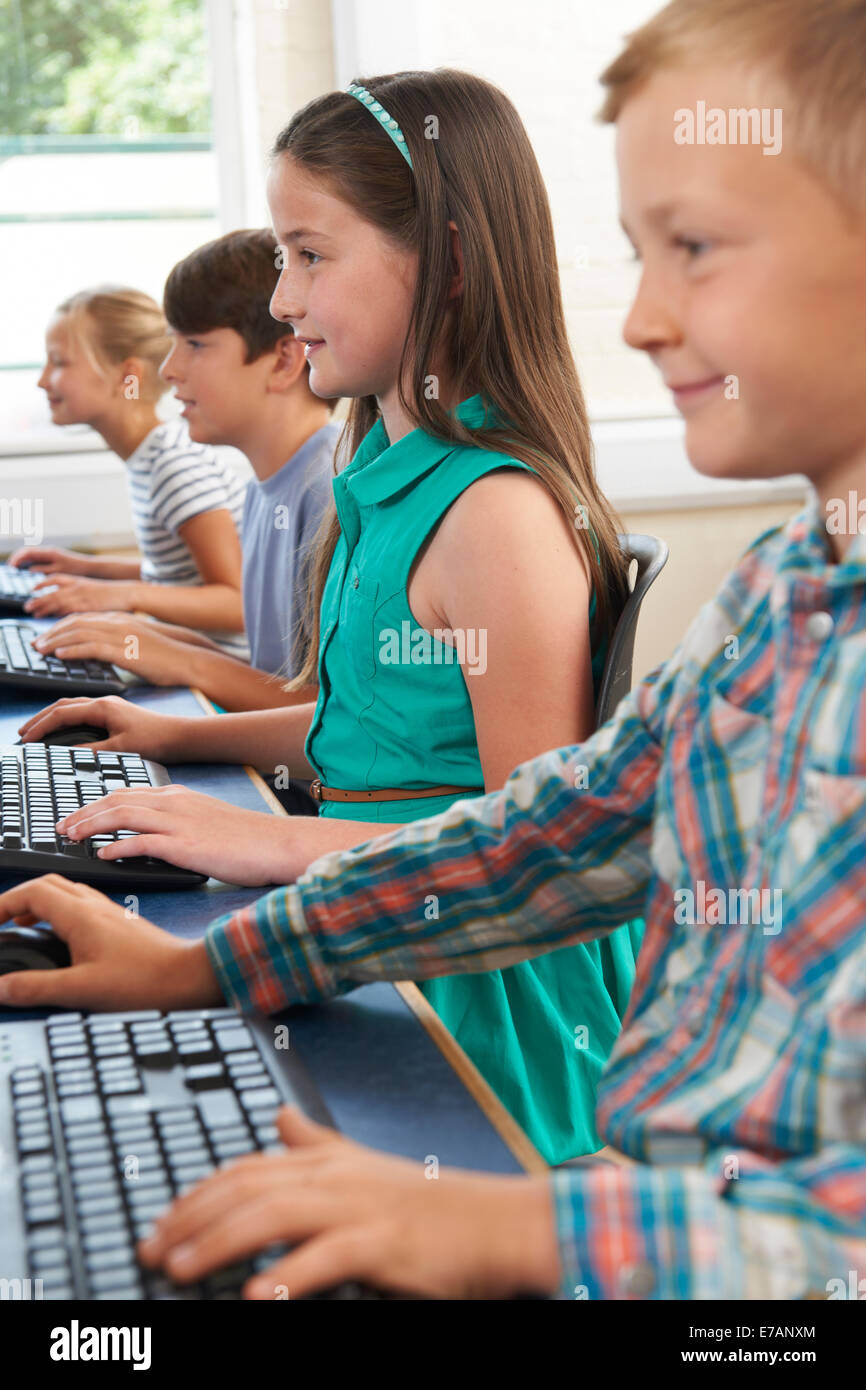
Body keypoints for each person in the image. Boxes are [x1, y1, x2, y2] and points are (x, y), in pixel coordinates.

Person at [2, 0, 864, 1298]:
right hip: (629, 1203)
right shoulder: (784, 591)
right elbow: (542, 835)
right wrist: (199, 964)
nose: (636, 320)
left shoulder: (501, 513)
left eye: (692, 247)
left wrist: (510, 1227)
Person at [15, 68, 643, 1164]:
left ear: (444, 257)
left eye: (309, 255)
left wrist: (266, 839)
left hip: (476, 999)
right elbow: (356, 725)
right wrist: (179, 736)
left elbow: (532, 854)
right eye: (279, 257)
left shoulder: (492, 512)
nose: (282, 300)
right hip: (374, 914)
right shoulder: (384, 464)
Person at [27, 231, 338, 713]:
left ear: (282, 360)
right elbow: (270, 677)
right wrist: (147, 634)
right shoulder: (267, 486)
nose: (169, 369)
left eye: (194, 344)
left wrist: (175, 685)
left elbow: (325, 716)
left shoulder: (330, 493)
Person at [12, 286, 248, 658]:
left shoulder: (174, 466)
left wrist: (119, 595)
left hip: (219, 676)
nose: (43, 380)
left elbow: (237, 604)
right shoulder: (149, 457)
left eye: (58, 362)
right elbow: (174, 576)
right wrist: (89, 569)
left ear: (128, 376)